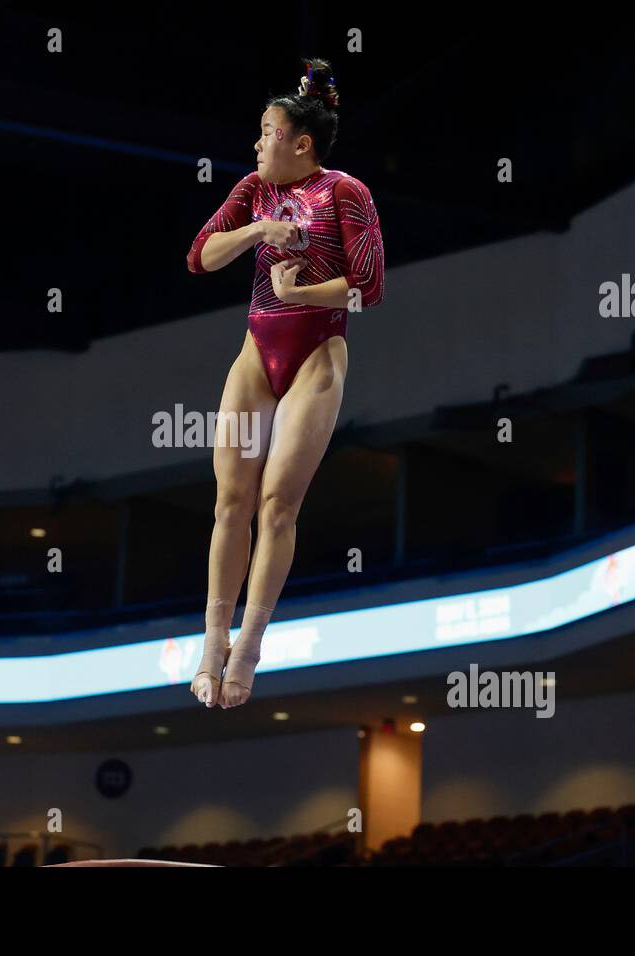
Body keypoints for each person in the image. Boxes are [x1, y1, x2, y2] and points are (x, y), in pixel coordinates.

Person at [185, 57, 385, 708]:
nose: (256, 142)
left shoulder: (345, 192)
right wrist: (260, 230)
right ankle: (214, 638)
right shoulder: (253, 190)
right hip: (256, 355)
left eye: (265, 131)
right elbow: (200, 257)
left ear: (300, 142)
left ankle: (249, 646)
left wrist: (299, 292)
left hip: (317, 358)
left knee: (276, 506)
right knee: (230, 503)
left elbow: (369, 289)